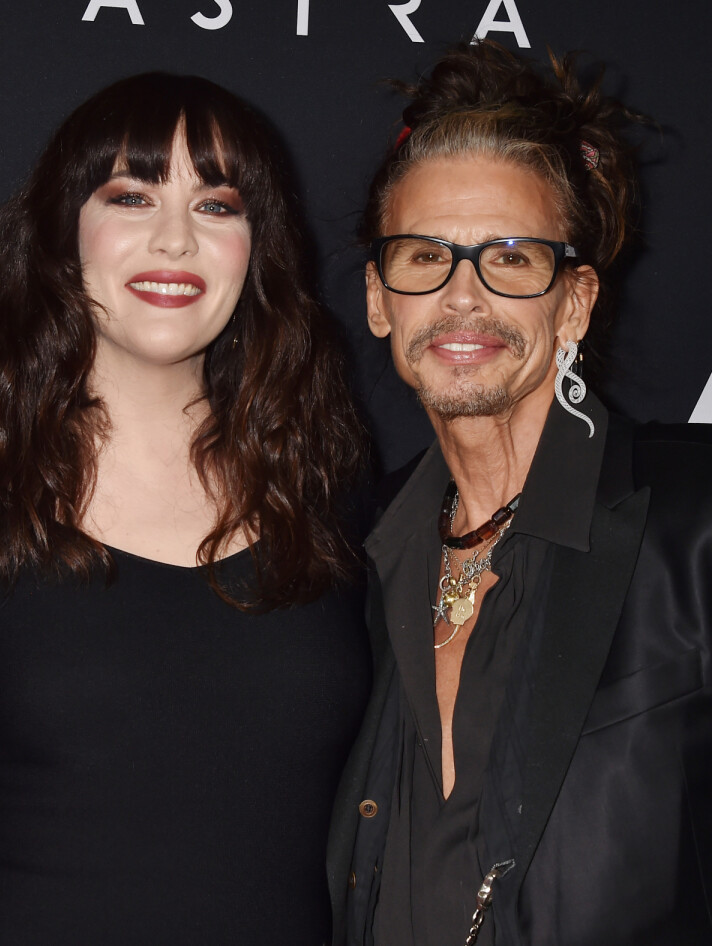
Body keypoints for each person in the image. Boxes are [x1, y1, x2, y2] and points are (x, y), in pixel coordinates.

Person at [0, 73, 372, 945]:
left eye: (218, 206)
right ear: (65, 232)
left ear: (258, 246)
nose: (175, 239)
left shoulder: (329, 495)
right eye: (132, 195)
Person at [327, 42, 712, 945]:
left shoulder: (695, 519)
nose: (463, 296)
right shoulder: (350, 552)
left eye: (509, 255)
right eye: (425, 255)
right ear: (381, 300)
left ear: (574, 302)